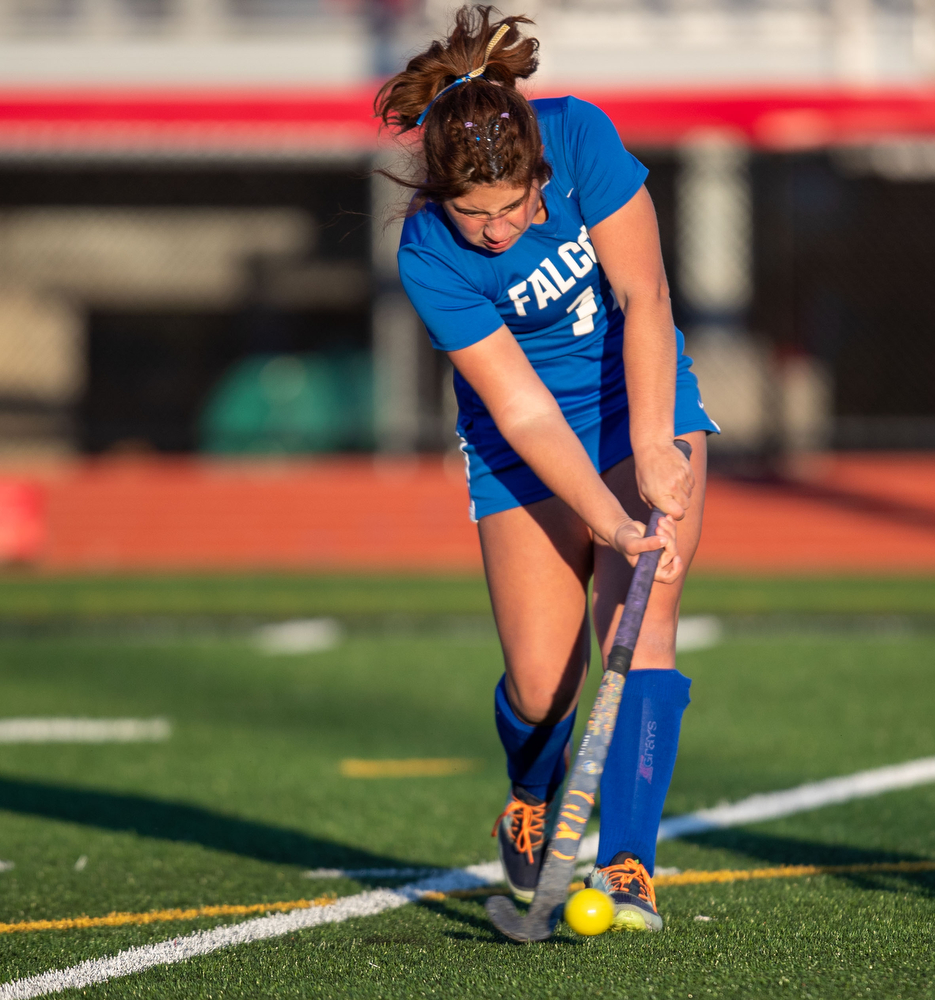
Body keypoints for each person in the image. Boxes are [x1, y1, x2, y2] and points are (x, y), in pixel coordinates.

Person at [376, 5, 719, 932]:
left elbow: (644, 295)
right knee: (540, 683)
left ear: (539, 170)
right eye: (472, 214)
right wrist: (606, 521)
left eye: (514, 208)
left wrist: (655, 447)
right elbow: (521, 406)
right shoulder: (427, 254)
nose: (495, 232)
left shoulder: (579, 135)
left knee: (640, 625)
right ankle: (530, 792)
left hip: (633, 399)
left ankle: (629, 869)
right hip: (518, 437)